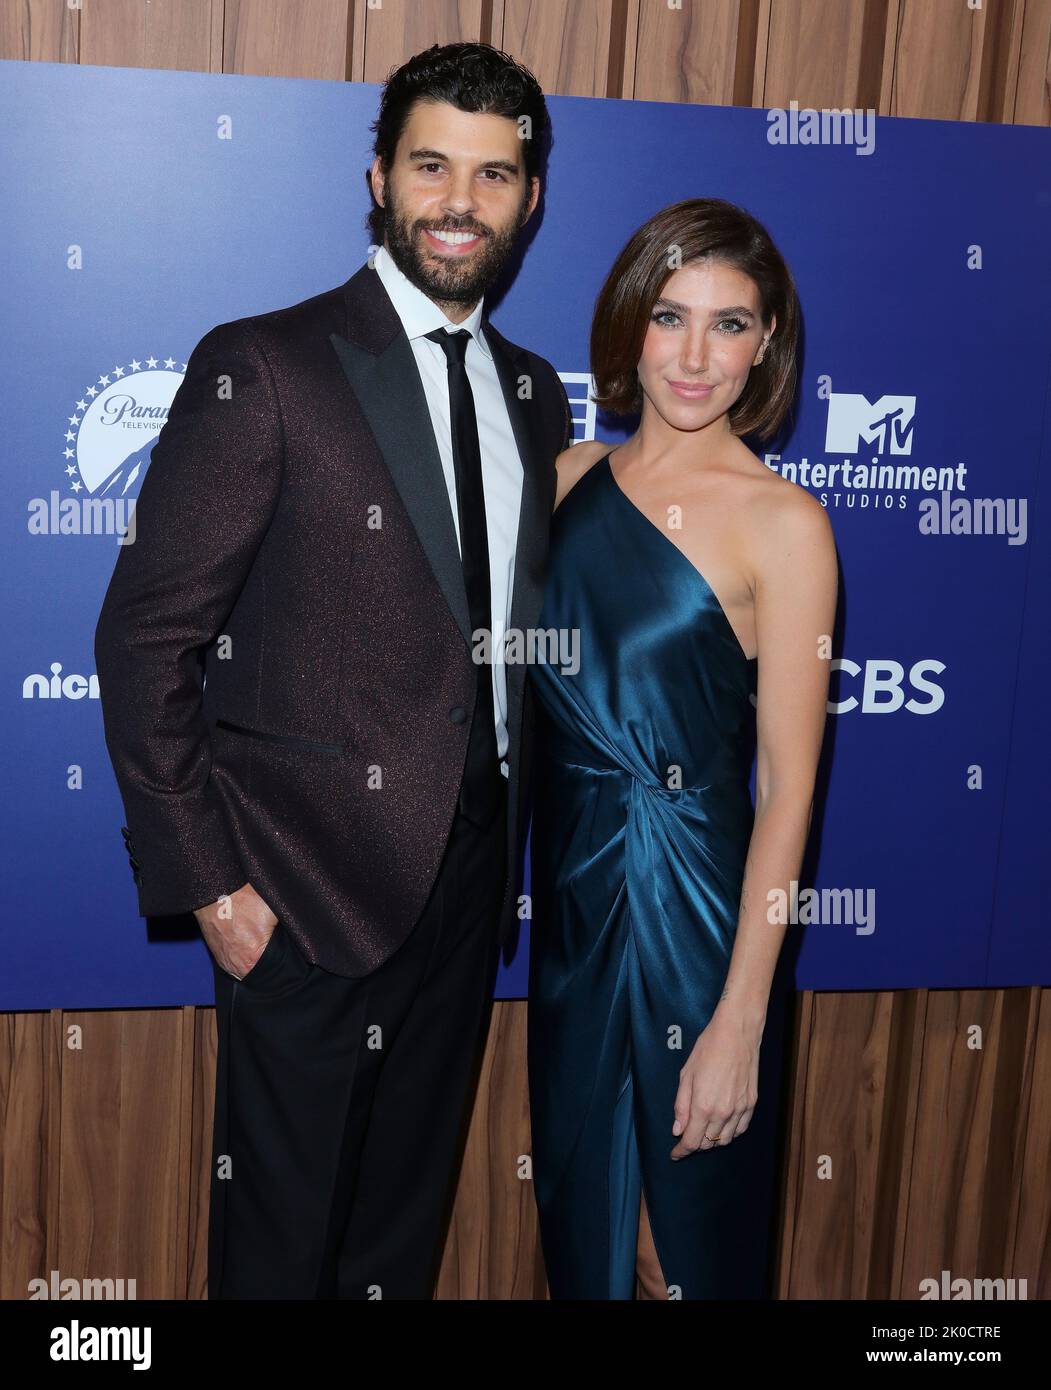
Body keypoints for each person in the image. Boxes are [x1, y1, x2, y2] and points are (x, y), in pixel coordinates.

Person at [94, 42, 570, 1300]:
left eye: (493, 172)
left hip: (470, 887)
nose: (459, 199)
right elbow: (146, 640)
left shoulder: (534, 394)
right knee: (280, 1251)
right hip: (300, 894)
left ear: (528, 201)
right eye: (431, 165)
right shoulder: (270, 363)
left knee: (393, 1242)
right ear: (378, 176)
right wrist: (212, 889)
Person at [526, 197, 838, 1299]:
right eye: (671, 316)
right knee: (584, 1232)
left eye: (731, 324)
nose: (695, 356)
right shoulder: (562, 482)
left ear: (766, 345)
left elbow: (791, 790)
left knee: (679, 1253)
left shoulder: (784, 523)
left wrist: (740, 1020)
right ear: (630, 323)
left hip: (698, 916)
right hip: (570, 907)